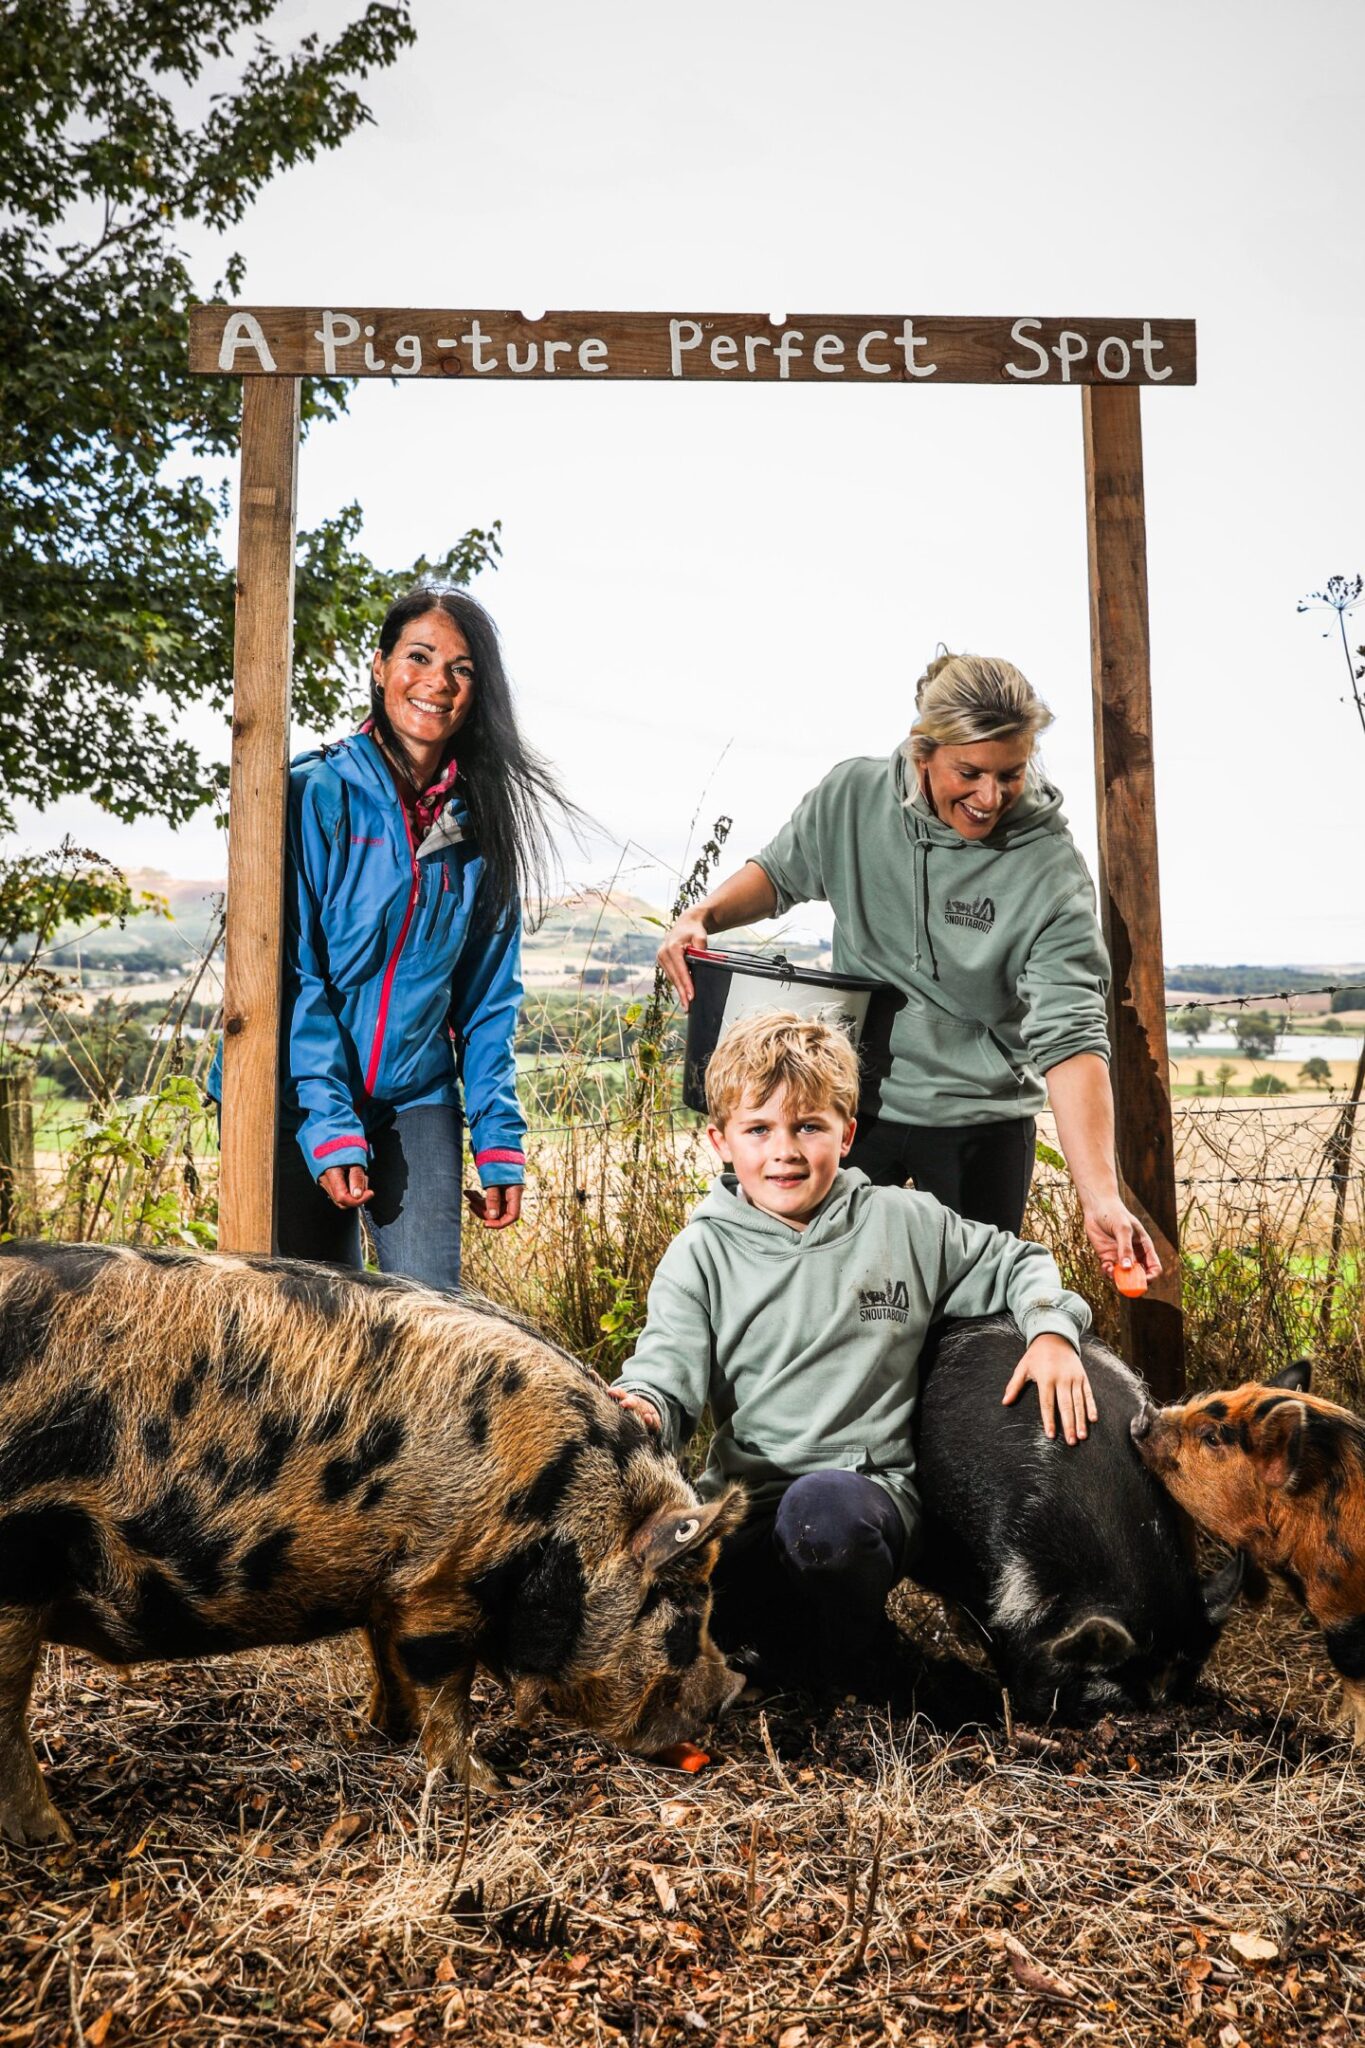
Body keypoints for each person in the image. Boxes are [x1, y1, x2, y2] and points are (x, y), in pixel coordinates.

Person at [607, 1010, 1094, 1699]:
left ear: (848, 1133)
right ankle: (803, 1654)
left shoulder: (904, 1223)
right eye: (758, 1130)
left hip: (861, 1503)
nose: (785, 1151)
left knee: (823, 1516)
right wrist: (640, 1411)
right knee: (642, 1592)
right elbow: (665, 1377)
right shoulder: (701, 1254)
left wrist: (1048, 1331)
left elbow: (1018, 1263)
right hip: (742, 1508)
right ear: (719, 1141)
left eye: (809, 1126)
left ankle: (879, 1670)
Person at [658, 651, 1158, 1281]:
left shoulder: (1050, 872)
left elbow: (1072, 1037)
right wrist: (706, 914)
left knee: (970, 1312)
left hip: (979, 1120)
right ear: (922, 752)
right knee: (833, 1298)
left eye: (1011, 774)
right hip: (852, 1109)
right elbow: (781, 872)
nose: (990, 796)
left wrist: (1100, 1198)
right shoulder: (853, 798)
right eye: (969, 772)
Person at [212, 584, 570, 1290]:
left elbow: (489, 1001)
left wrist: (499, 1141)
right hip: (292, 1095)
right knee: (310, 1320)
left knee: (434, 1313)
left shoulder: (483, 822)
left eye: (461, 668)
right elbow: (297, 978)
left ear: (479, 690)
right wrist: (330, 1124)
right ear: (379, 667)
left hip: (414, 1093)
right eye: (419, 656)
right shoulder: (315, 795)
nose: (437, 682)